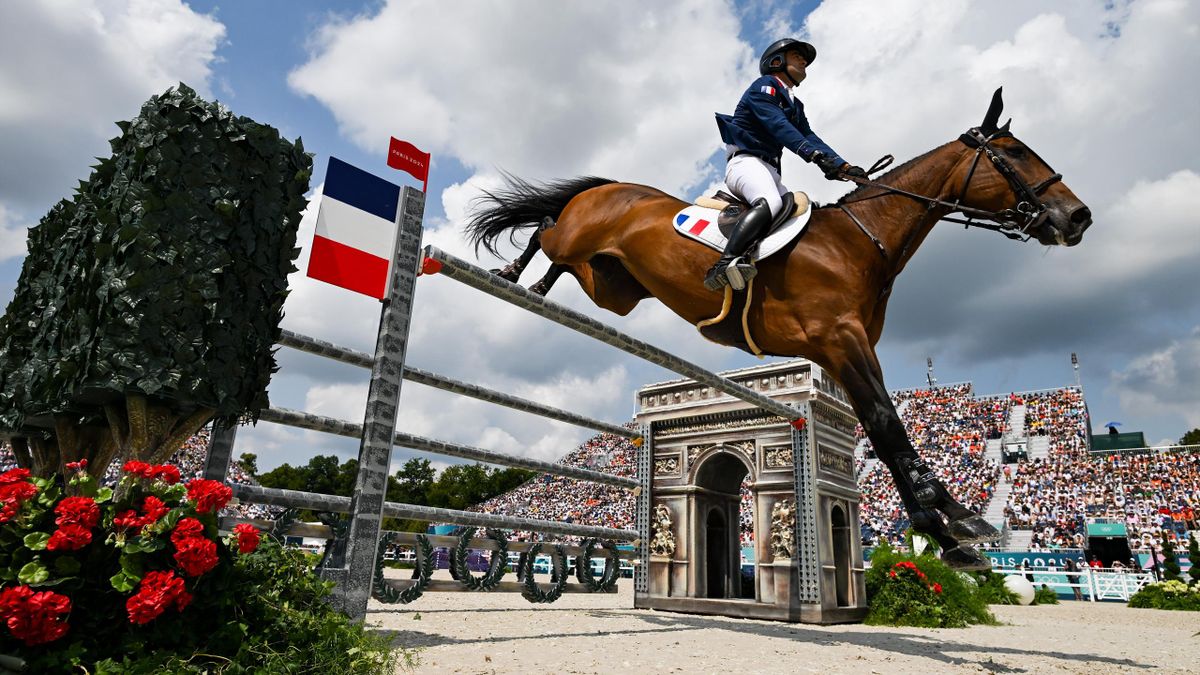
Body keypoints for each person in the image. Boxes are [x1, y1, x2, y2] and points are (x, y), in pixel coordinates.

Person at [706, 38, 866, 291]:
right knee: (771, 203)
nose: (804, 62)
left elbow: (809, 136)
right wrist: (814, 156)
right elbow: (778, 125)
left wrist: (842, 165)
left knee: (800, 216)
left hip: (769, 170)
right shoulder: (764, 86)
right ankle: (724, 264)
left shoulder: (795, 104)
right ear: (777, 61)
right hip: (746, 163)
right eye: (797, 56)